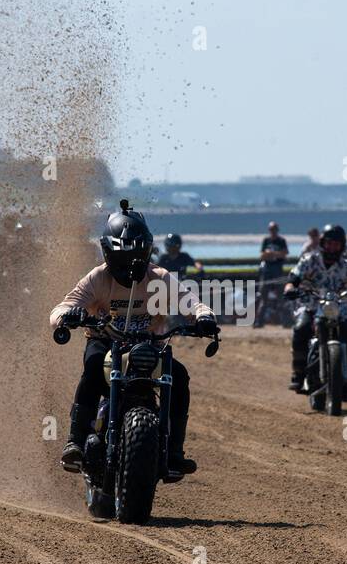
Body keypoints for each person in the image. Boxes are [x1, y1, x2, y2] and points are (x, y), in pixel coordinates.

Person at [50, 202, 216, 476]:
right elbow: (61, 307)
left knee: (180, 377)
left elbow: (191, 301)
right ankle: (75, 442)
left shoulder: (160, 277)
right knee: (92, 366)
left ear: (147, 250)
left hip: (150, 347)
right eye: (123, 256)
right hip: (105, 342)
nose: (130, 264)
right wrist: (68, 316)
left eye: (137, 255)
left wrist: (203, 317)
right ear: (108, 252)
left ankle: (174, 450)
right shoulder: (97, 278)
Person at [284, 224, 347, 399]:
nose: (332, 248)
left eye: (337, 244)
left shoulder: (346, 265)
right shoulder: (310, 260)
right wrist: (290, 288)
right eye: (330, 243)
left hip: (338, 309)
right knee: (301, 329)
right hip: (311, 307)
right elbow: (293, 277)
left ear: (342, 246)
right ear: (323, 243)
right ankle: (298, 374)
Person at [254, 222, 289, 328]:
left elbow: (284, 253)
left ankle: (285, 322)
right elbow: (262, 255)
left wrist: (272, 254)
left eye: (274, 230)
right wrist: (271, 254)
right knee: (263, 297)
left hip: (278, 271)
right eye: (271, 230)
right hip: (267, 271)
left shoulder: (281, 241)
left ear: (277, 230)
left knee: (281, 297)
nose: (273, 232)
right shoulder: (266, 240)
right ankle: (259, 322)